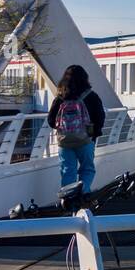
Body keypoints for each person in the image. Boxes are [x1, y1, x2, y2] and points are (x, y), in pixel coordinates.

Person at [47, 64, 106, 193]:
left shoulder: (60, 98)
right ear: (85, 78)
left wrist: (64, 128)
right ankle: (83, 195)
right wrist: (94, 133)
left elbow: (51, 120)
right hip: (85, 140)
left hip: (64, 141)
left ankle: (69, 200)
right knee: (87, 169)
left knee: (68, 170)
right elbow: (100, 117)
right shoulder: (91, 96)